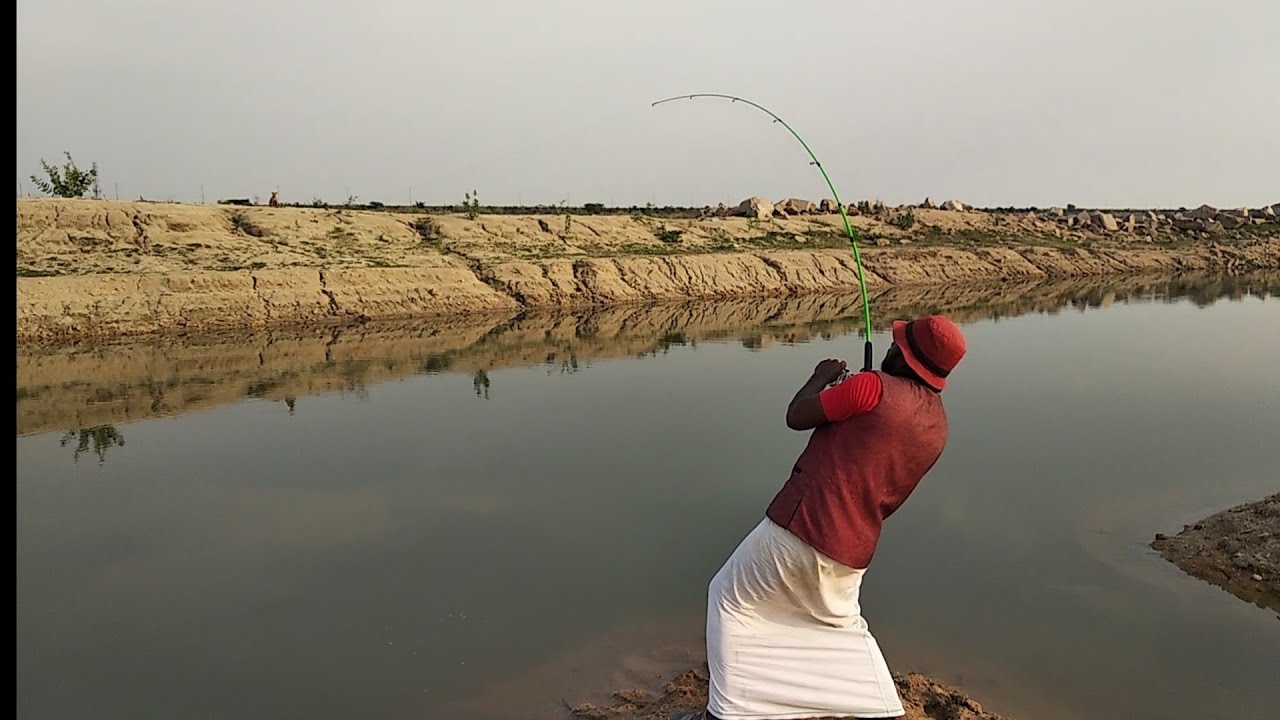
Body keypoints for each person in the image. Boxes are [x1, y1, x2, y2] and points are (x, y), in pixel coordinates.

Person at [681, 314, 968, 720]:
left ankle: (724, 713)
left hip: (804, 525)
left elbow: (797, 415)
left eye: (896, 347)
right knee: (838, 626)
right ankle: (881, 706)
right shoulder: (938, 425)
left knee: (730, 598)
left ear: (907, 359)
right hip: (853, 548)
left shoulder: (871, 386)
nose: (889, 348)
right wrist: (858, 391)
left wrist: (822, 375)